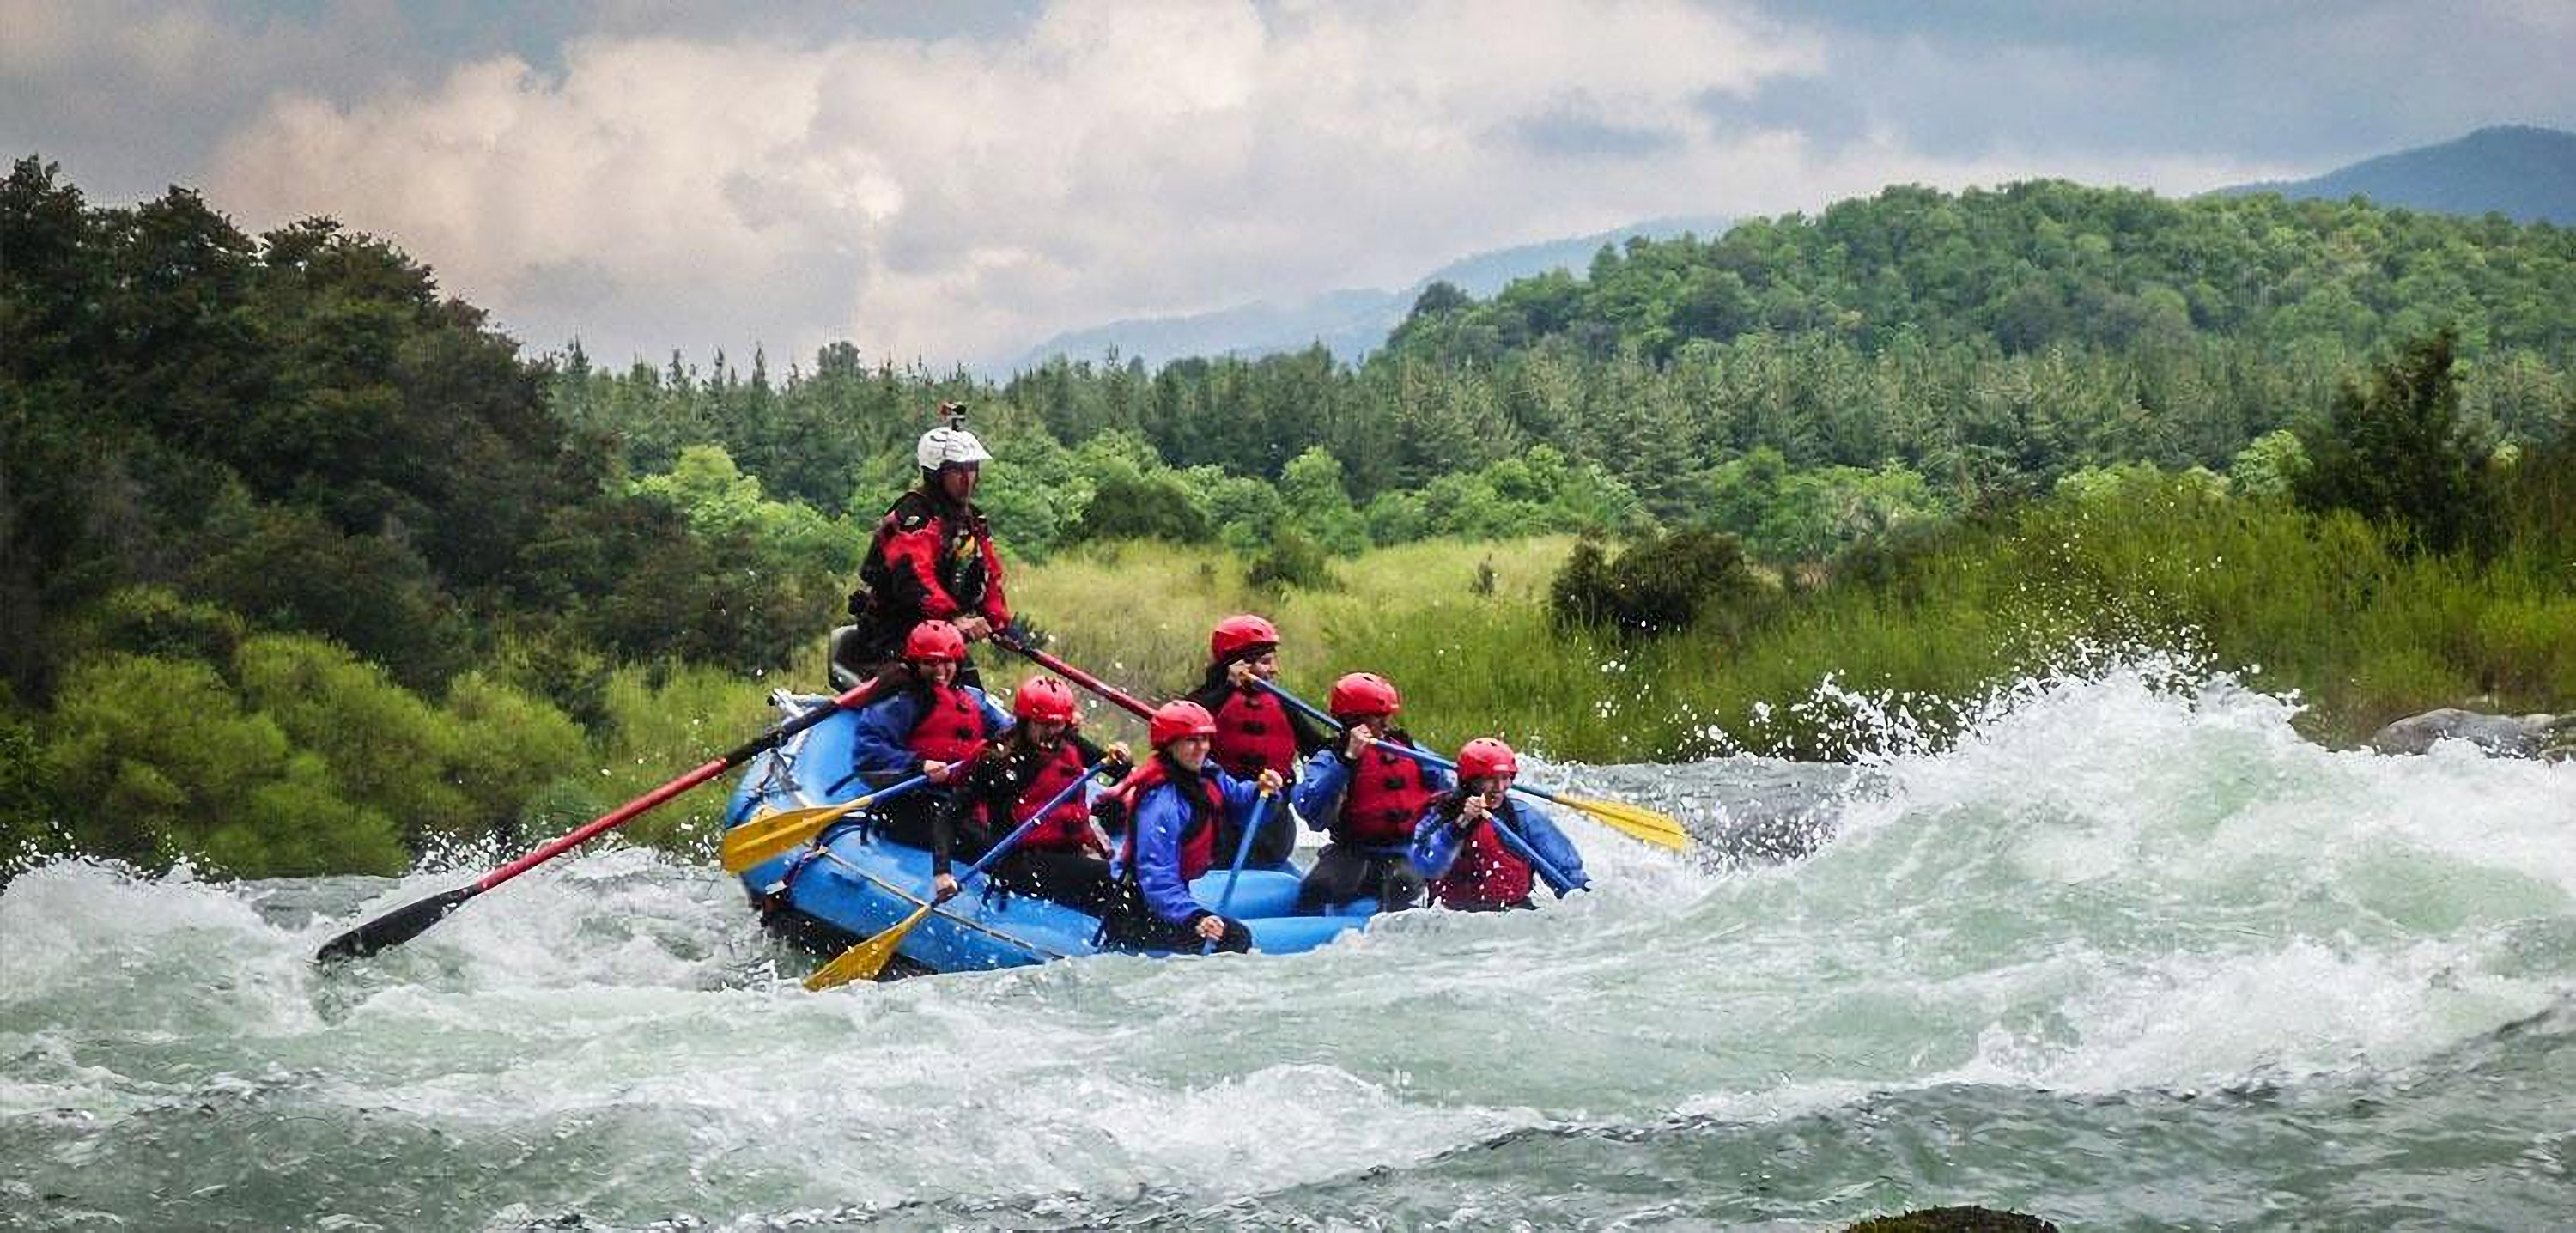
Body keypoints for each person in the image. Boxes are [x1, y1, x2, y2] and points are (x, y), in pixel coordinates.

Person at [840, 402, 1010, 689]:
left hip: (942, 636)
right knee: (919, 702)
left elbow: (989, 574)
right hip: (896, 634)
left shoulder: (973, 519)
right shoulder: (913, 515)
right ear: (935, 473)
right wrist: (955, 617)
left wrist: (1003, 624)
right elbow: (915, 579)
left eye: (972, 469)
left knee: (974, 703)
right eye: (957, 471)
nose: (967, 480)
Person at [1100, 700, 1283, 954]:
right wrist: (1196, 918)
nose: (1202, 748)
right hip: (1139, 911)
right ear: (1170, 745)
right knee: (1235, 938)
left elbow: (1240, 801)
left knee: (1232, 935)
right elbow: (1157, 878)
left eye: (1205, 739)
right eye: (1192, 741)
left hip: (1167, 903)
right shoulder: (1161, 804)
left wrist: (1262, 791)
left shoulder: (1206, 774)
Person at [937, 675, 1127, 914]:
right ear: (1025, 721)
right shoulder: (997, 760)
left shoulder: (1066, 741)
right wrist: (942, 873)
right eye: (1043, 724)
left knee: (1124, 875)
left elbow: (1119, 769)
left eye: (1057, 724)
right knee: (1105, 878)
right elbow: (949, 815)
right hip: (1017, 860)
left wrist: (1121, 757)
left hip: (1062, 851)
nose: (1051, 732)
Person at [848, 620, 1012, 892]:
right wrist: (918, 765)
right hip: (915, 801)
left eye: (947, 662)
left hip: (962, 801)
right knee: (984, 846)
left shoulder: (972, 699)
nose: (940, 670)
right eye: (930, 663)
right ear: (915, 663)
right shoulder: (902, 702)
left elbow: (1011, 732)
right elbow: (868, 752)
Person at [1182, 613, 1333, 869]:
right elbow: (1186, 727)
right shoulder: (1205, 702)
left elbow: (1318, 748)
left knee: (1269, 844)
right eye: (1266, 662)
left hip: (1272, 820)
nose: (1275, 670)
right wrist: (1230, 686)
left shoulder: (1282, 704)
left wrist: (1351, 746)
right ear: (1238, 664)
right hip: (1221, 818)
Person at [1291, 671, 1447, 914]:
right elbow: (1310, 809)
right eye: (1378, 718)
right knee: (1316, 889)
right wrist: (1348, 760)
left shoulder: (1411, 750)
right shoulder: (1331, 758)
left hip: (1407, 851)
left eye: (1388, 717)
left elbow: (1446, 789)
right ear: (1355, 720)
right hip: (1352, 851)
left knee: (1401, 885)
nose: (1386, 725)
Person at [1410, 738, 1589, 911]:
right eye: (1491, 779)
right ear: (1470, 780)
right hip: (1450, 916)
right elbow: (1426, 865)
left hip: (1514, 914)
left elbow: (1567, 873)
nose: (1500, 786)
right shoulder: (1438, 813)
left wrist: (1584, 902)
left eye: (1506, 778)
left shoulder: (1522, 816)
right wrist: (1459, 825)